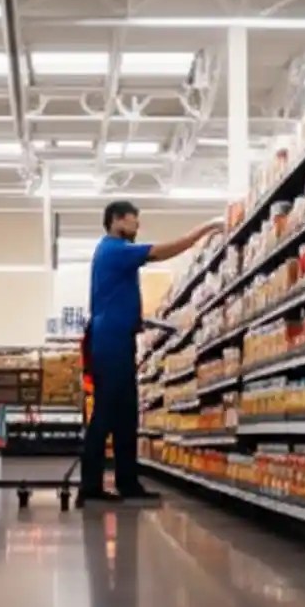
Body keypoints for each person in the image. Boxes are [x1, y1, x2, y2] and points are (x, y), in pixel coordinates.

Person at [79, 200, 224, 505]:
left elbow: (114, 299)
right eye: (134, 220)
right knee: (106, 413)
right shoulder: (114, 249)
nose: (137, 226)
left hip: (115, 338)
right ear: (117, 221)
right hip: (111, 342)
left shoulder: (110, 253)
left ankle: (127, 482)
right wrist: (206, 229)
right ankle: (91, 486)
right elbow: (161, 250)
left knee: (125, 415)